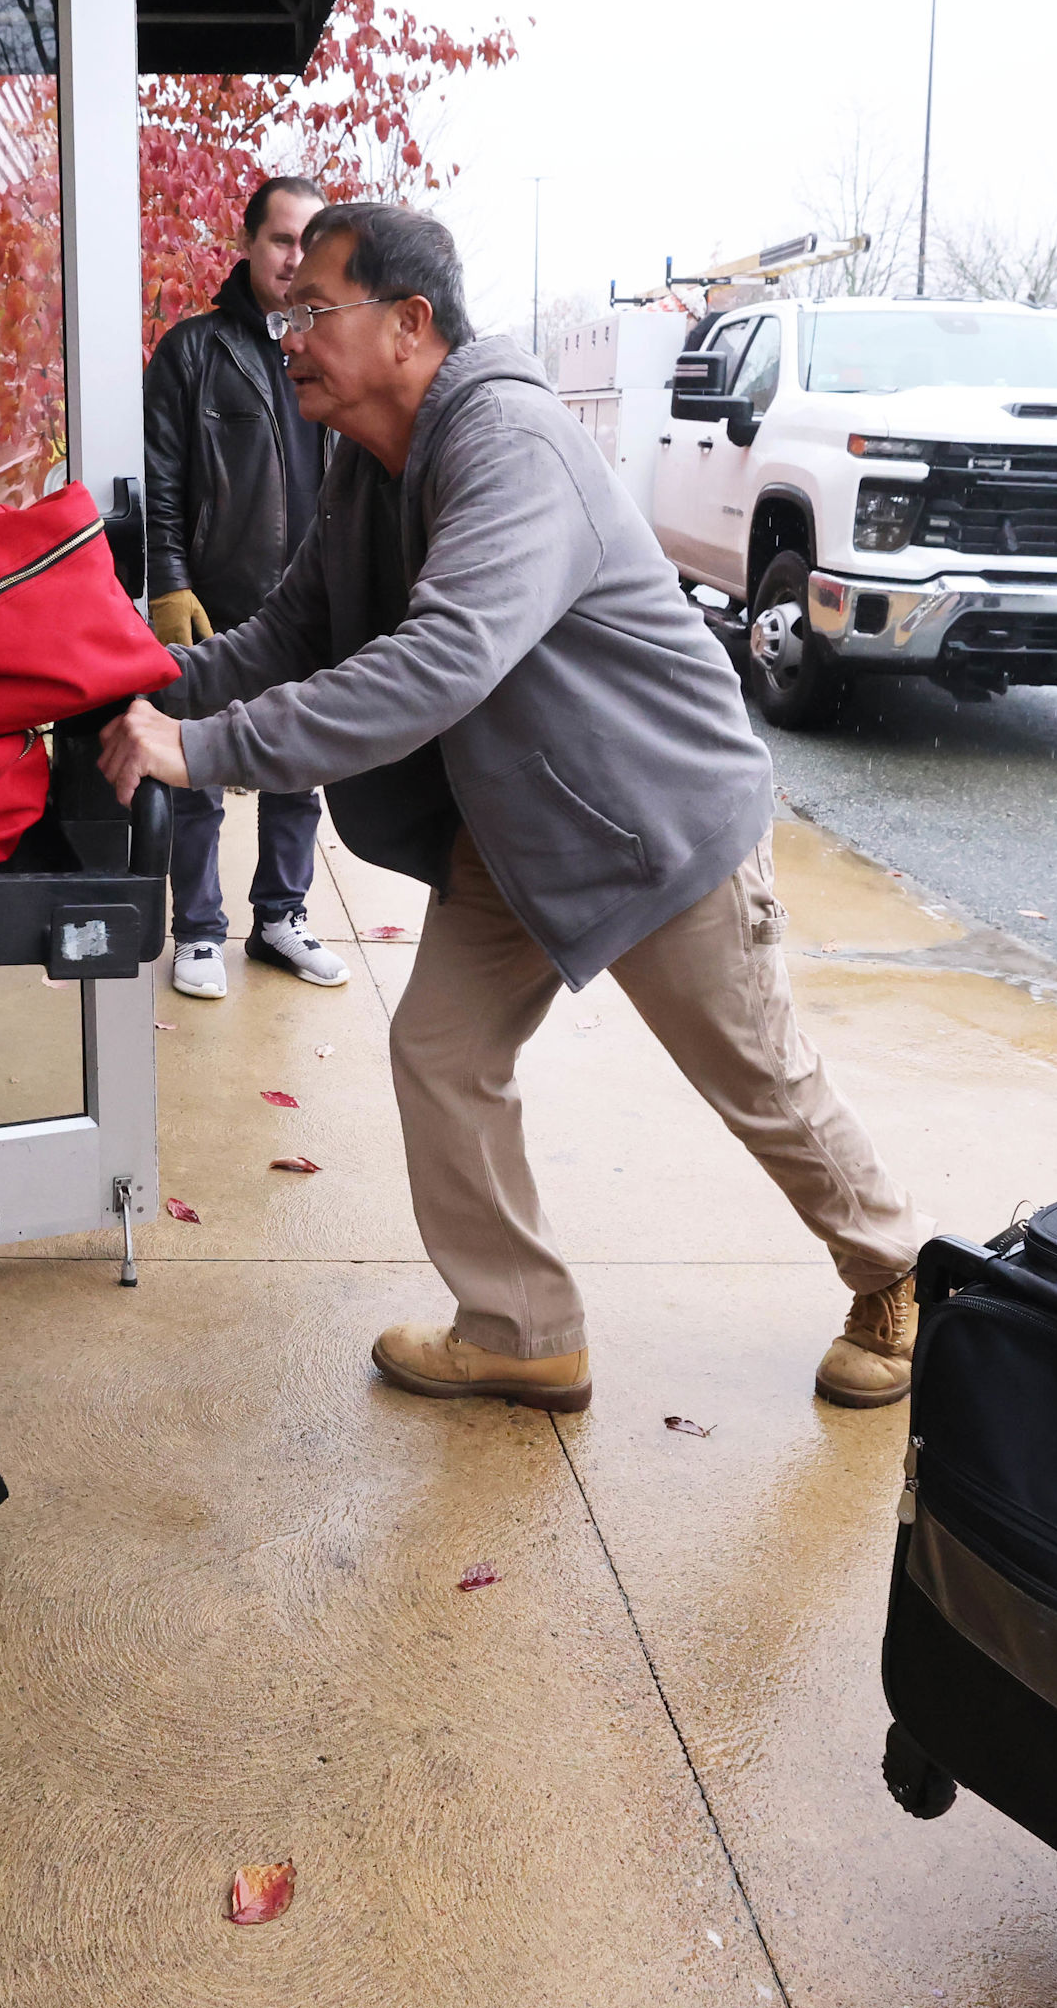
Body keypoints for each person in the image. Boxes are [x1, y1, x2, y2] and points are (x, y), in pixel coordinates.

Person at [100, 202, 930, 1411]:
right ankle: (520, 1327)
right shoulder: (362, 458)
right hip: (517, 821)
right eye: (285, 316)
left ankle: (896, 1272)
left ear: (408, 323)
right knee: (441, 1050)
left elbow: (440, 661)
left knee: (757, 1078)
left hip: (653, 821)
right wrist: (141, 685)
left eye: (313, 312)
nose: (288, 338)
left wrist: (203, 749)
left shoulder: (508, 442)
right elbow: (296, 629)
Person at [140, 175, 348, 1000]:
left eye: (309, 243)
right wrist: (167, 582)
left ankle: (278, 920)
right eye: (280, 240)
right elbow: (161, 481)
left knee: (298, 767)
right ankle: (195, 930)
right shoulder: (193, 351)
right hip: (212, 600)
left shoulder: (332, 348)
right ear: (249, 244)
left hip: (307, 600)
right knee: (193, 771)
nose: (294, 259)